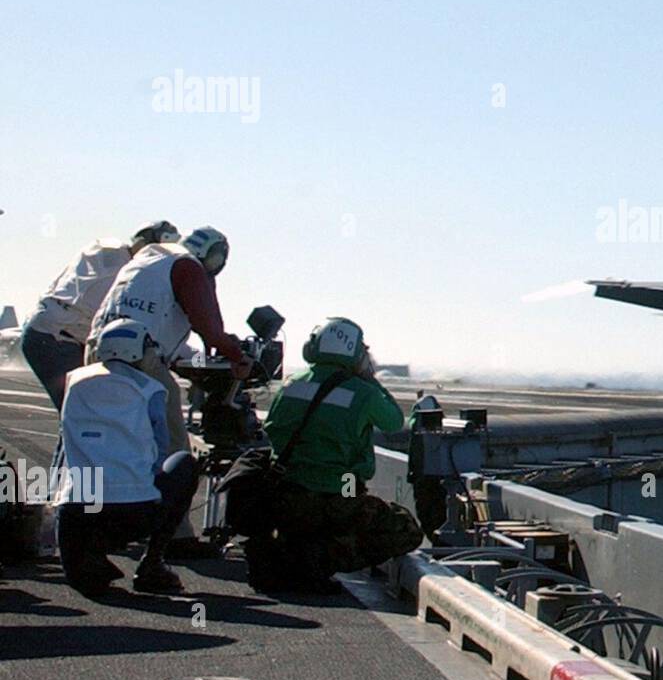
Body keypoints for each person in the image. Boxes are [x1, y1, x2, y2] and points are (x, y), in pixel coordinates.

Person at [246, 317, 421, 594]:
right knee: (405, 529)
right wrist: (370, 379)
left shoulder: (292, 384)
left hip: (288, 491)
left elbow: (273, 431)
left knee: (311, 518)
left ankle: (295, 551)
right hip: (342, 487)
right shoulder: (363, 392)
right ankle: (322, 558)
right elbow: (393, 421)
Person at [55, 318, 199, 597]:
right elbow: (160, 449)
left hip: (78, 509)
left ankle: (92, 551)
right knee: (183, 465)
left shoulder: (73, 381)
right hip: (133, 511)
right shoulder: (151, 389)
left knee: (86, 582)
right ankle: (152, 562)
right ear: (137, 350)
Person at [88, 226, 252, 458]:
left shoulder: (149, 258)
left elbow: (160, 326)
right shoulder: (188, 267)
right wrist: (237, 354)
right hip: (135, 355)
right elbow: (210, 328)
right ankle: (170, 485)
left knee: (90, 428)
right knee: (172, 438)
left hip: (96, 348)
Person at [20, 221, 180, 411]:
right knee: (83, 411)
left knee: (80, 413)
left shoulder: (106, 251)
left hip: (47, 330)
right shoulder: (128, 269)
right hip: (59, 337)